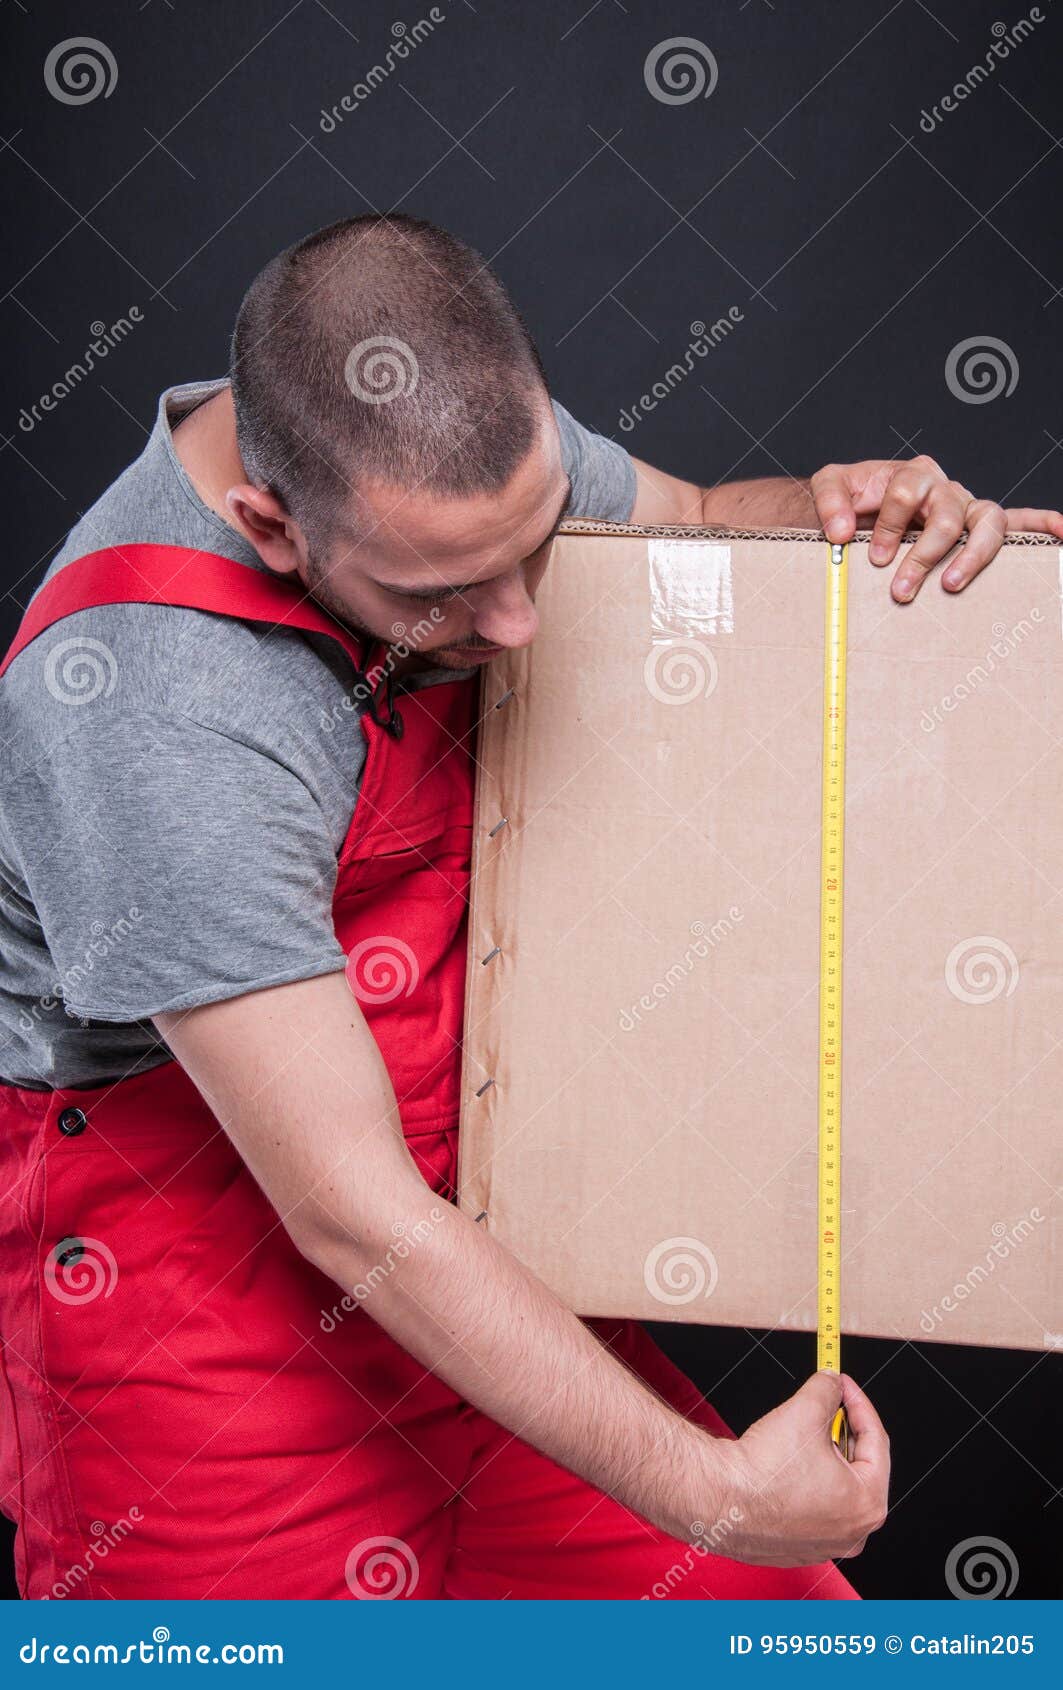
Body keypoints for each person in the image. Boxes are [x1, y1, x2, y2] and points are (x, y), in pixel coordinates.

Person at [1, 215, 1059, 1602]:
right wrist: (720, 1491)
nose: (520, 620)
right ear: (272, 525)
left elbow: (685, 523)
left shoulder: (445, 453)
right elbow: (347, 1211)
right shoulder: (156, 701)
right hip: (210, 1327)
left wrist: (839, 514)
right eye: (445, 594)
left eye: (541, 539)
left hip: (480, 1264)